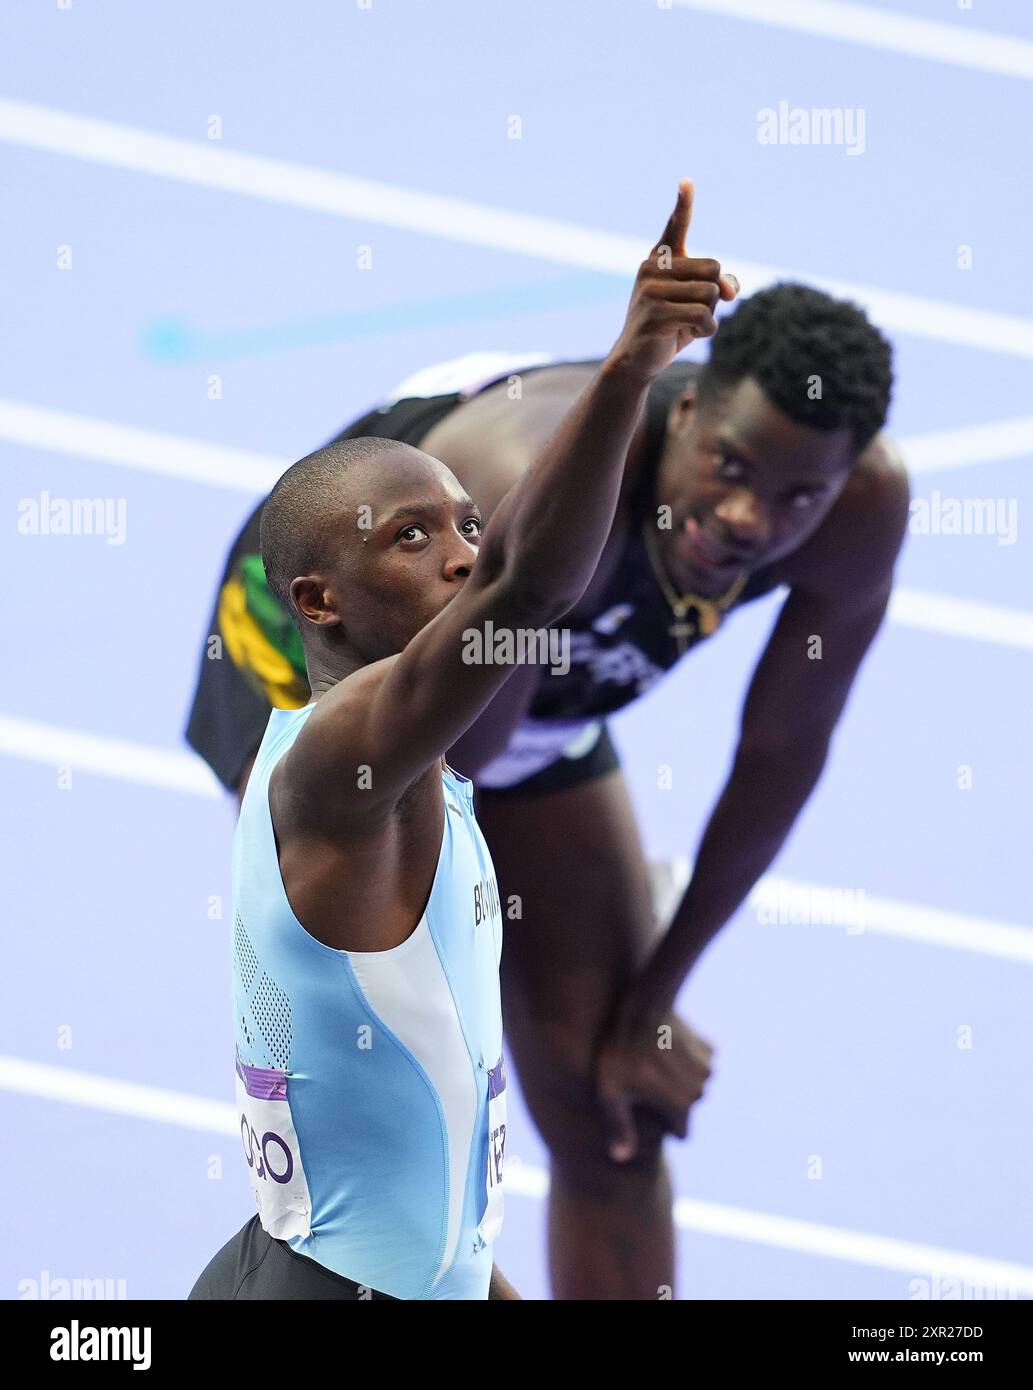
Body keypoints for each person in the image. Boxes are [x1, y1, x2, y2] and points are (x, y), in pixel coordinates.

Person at [188, 222, 906, 1306]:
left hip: (525, 670)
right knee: (402, 1024)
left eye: (797, 497)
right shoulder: (508, 508)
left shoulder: (856, 506)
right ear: (689, 410)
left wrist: (647, 1001)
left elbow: (783, 752)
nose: (750, 520)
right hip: (366, 656)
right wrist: (626, 367)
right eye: (730, 470)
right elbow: (478, 714)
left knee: (606, 1109)